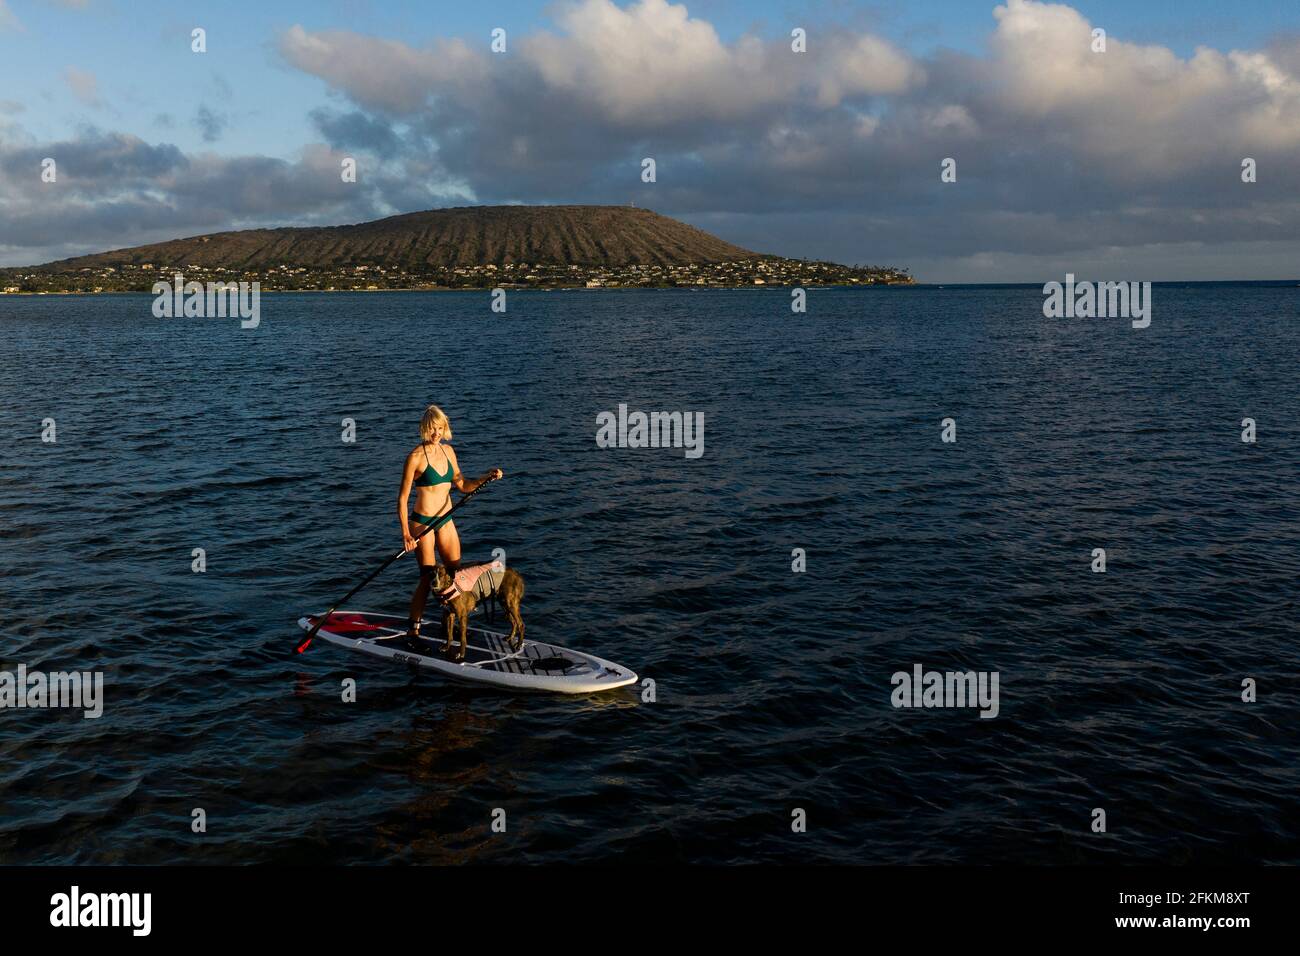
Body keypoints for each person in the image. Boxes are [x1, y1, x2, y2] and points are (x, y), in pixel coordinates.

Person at [397, 404, 503, 647]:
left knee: (454, 575)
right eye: (432, 428)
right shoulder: (415, 457)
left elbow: (463, 485)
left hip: (445, 519)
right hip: (422, 524)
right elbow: (402, 499)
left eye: (440, 428)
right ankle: (413, 630)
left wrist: (486, 477)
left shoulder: (449, 452)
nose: (436, 433)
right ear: (425, 428)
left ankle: (451, 623)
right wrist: (405, 533)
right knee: (427, 577)